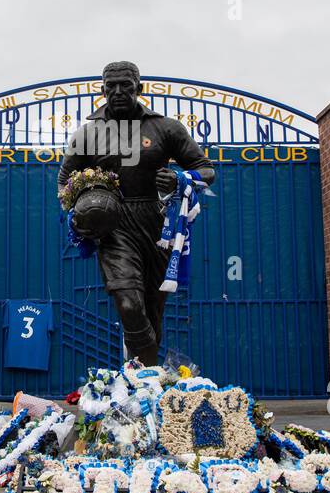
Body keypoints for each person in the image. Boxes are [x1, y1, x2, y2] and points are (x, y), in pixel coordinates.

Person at [57, 61, 216, 366]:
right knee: (129, 304)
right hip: (114, 227)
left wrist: (180, 179)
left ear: (139, 88)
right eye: (110, 86)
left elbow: (206, 170)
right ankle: (145, 377)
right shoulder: (87, 133)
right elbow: (64, 182)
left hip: (159, 226)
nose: (117, 91)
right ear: (102, 89)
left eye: (125, 85)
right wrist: (80, 215)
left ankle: (144, 382)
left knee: (153, 311)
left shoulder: (166, 128)